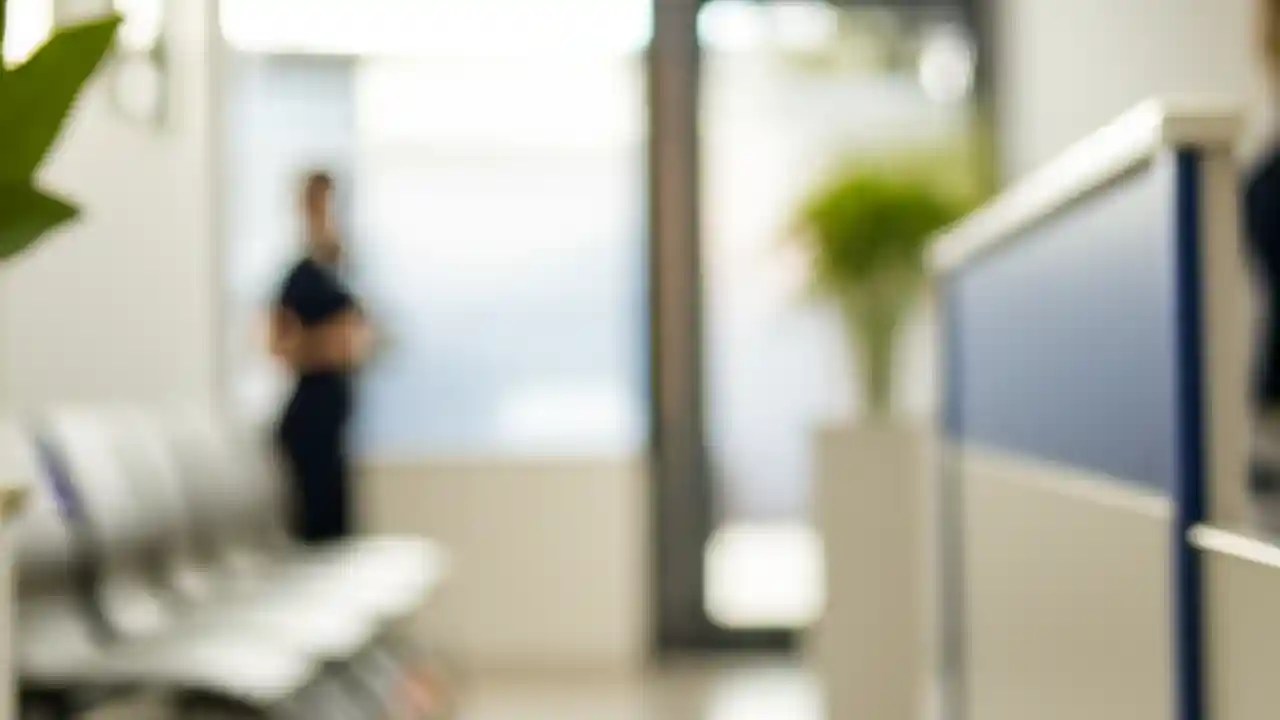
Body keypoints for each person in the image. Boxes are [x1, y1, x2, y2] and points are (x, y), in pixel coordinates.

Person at [270, 171, 373, 542]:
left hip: (335, 425)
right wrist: (332, 343)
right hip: (309, 425)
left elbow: (361, 340)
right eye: (317, 203)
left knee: (341, 533)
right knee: (317, 532)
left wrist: (351, 341)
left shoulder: (342, 270)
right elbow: (277, 345)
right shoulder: (299, 276)